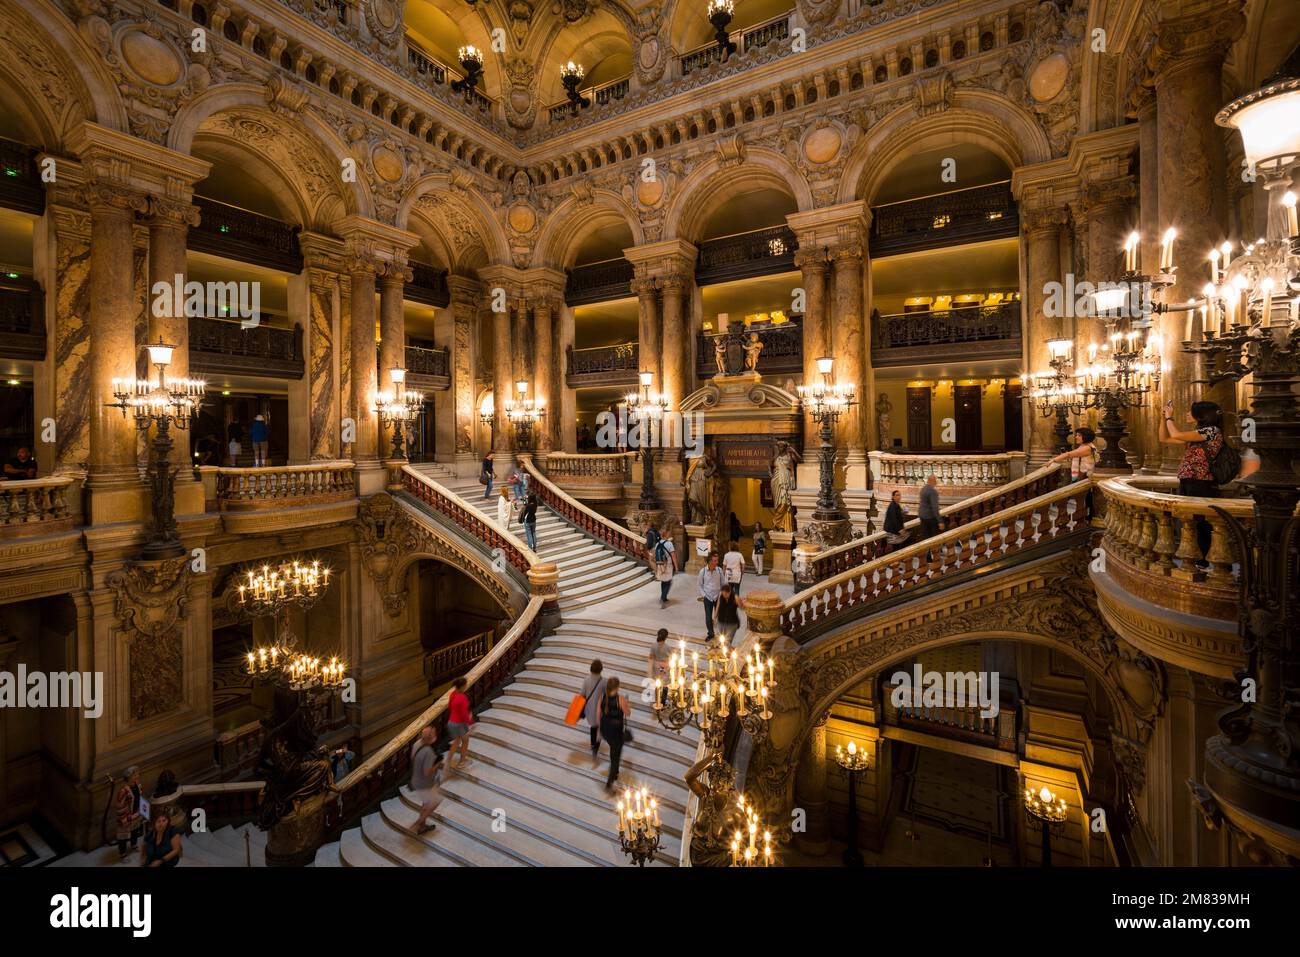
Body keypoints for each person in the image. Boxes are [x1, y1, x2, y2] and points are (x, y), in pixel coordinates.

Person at [1160, 400, 1225, 567]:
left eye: (1191, 412)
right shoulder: (1197, 433)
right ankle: (1199, 559)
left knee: (1203, 523)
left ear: (1201, 416)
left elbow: (1175, 434)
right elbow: (1164, 438)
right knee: (1192, 522)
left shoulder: (1212, 431)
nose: (1187, 414)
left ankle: (1213, 562)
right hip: (1190, 481)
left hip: (1202, 482)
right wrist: (1163, 418)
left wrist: (1169, 418)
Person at [598, 676, 631, 792]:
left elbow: (599, 713)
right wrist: (627, 704)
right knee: (615, 757)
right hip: (616, 732)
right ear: (617, 687)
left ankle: (615, 772)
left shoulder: (603, 696)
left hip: (606, 730)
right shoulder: (620, 699)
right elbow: (628, 713)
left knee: (614, 750)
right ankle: (609, 783)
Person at [409, 724, 441, 834]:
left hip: (416, 779)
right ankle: (419, 822)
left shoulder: (417, 744)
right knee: (436, 801)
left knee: (426, 803)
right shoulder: (429, 752)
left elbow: (412, 758)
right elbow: (427, 772)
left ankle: (422, 826)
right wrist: (438, 764)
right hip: (424, 783)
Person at [115, 766, 144, 860]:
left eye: (137, 774)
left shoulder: (138, 786)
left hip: (136, 813)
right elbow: (120, 806)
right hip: (126, 817)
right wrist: (124, 818)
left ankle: (133, 845)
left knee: (135, 830)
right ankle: (122, 853)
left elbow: (140, 797)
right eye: (135, 775)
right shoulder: (123, 791)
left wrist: (141, 809)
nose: (137, 776)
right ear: (129, 777)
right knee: (123, 836)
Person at [581, 660, 607, 758]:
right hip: (599, 710)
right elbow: (608, 695)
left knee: (593, 727)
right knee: (599, 729)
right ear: (601, 669)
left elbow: (582, 694)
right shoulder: (604, 681)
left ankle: (592, 744)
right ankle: (595, 748)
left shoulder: (586, 679)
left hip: (589, 709)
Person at [446, 676, 473, 768]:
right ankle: (462, 762)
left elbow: (450, 707)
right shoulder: (462, 697)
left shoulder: (452, 694)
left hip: (451, 722)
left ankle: (448, 760)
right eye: (465, 686)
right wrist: (470, 722)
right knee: (465, 741)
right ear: (461, 686)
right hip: (459, 723)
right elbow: (464, 714)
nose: (466, 687)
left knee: (456, 741)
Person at [697, 553, 724, 641]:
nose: (716, 562)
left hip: (718, 597)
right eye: (714, 560)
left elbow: (723, 583)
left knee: (720, 617)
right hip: (708, 598)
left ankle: (721, 635)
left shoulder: (719, 570)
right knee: (708, 618)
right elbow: (700, 585)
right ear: (709, 561)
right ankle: (711, 633)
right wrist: (704, 596)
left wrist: (722, 594)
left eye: (717, 560)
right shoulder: (703, 572)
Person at [918, 474, 941, 560]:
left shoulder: (923, 489)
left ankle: (927, 557)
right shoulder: (932, 491)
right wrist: (940, 520)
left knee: (925, 538)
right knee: (934, 539)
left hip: (922, 516)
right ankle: (934, 557)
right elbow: (935, 507)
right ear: (932, 480)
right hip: (930, 518)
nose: (936, 482)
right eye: (935, 480)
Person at [648, 629, 672, 707]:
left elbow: (651, 657)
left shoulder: (653, 645)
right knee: (665, 685)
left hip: (656, 667)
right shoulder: (667, 647)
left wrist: (650, 669)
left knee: (657, 684)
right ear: (666, 637)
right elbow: (670, 658)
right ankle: (663, 702)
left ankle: (657, 700)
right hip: (664, 668)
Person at [654, 532, 677, 607]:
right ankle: (663, 598)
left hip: (660, 565)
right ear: (666, 535)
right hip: (668, 565)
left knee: (663, 581)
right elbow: (673, 556)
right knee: (668, 581)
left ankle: (664, 597)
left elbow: (655, 555)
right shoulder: (669, 543)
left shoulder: (657, 544)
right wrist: (676, 566)